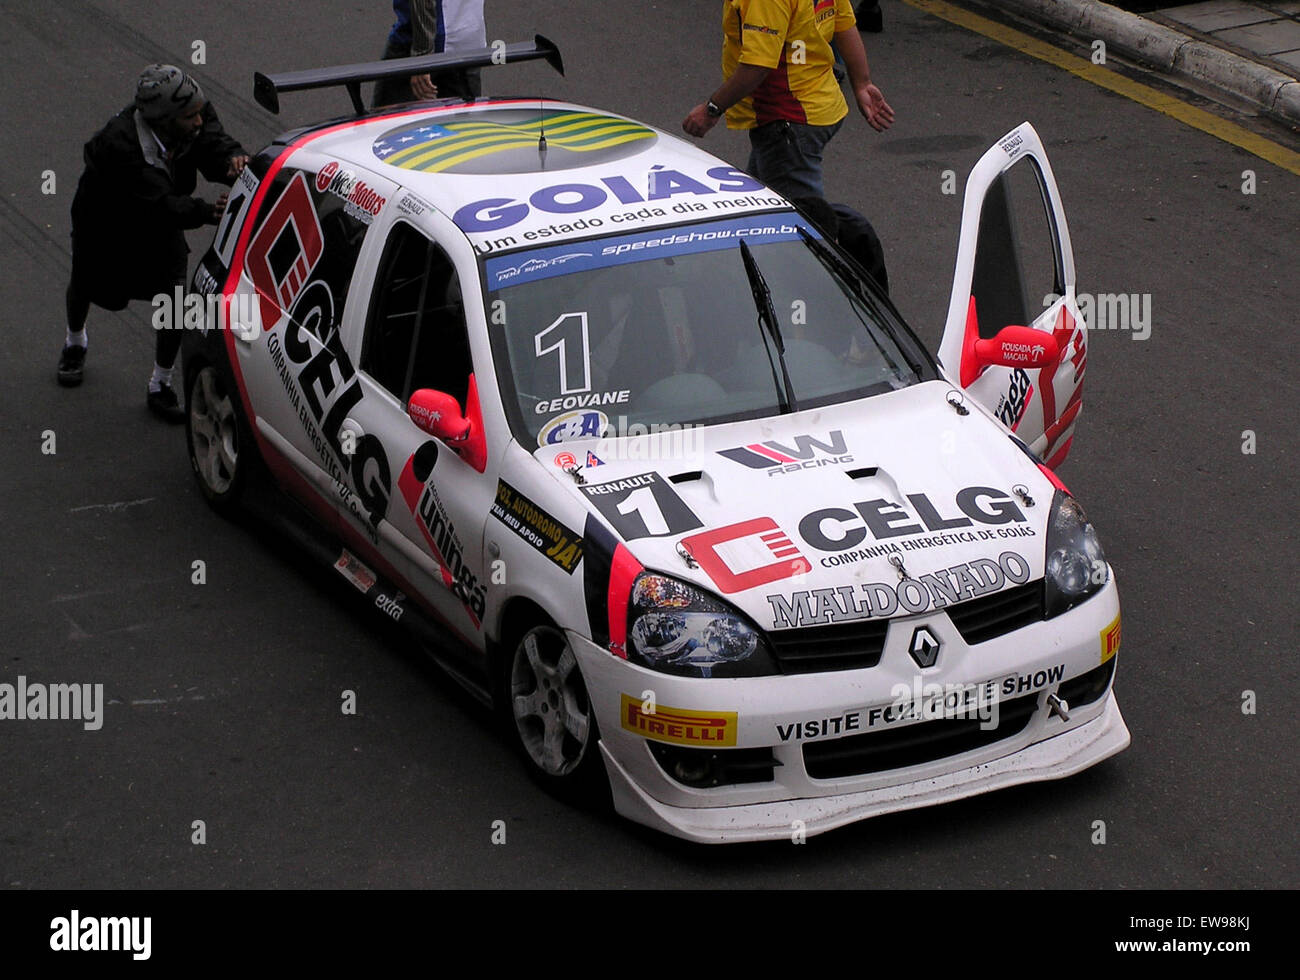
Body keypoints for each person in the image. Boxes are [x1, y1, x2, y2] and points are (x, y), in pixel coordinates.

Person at [57, 65, 248, 422]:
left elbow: (212, 140)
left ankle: (160, 383)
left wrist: (232, 158)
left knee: (174, 296)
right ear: (163, 120)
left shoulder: (194, 110)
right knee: (86, 283)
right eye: (189, 117)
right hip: (107, 222)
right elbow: (159, 203)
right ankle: (75, 342)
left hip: (160, 216)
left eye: (199, 111)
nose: (198, 121)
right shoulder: (119, 145)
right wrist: (207, 211)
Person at [682, 0, 894, 201]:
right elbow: (845, 26)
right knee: (758, 203)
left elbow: (757, 65)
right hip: (819, 105)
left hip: (788, 119)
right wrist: (862, 84)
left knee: (804, 222)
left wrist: (712, 109)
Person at [373, 0, 487, 108]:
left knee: (387, 120)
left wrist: (422, 56)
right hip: (469, 39)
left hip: (422, 43)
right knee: (464, 122)